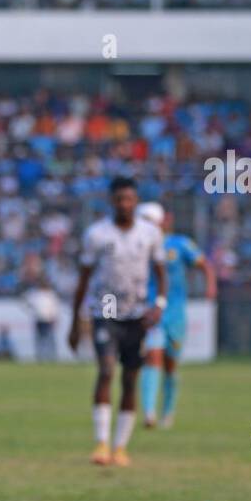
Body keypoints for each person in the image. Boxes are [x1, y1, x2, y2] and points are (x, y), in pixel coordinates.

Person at [68, 178, 166, 467]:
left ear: (136, 201)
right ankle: (101, 443)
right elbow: (84, 279)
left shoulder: (150, 233)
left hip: (137, 314)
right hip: (106, 310)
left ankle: (120, 446)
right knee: (107, 370)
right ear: (112, 201)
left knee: (130, 378)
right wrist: (75, 322)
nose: (125, 204)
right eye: (120, 199)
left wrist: (159, 304)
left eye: (130, 199)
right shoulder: (97, 234)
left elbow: (161, 274)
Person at [139, 205, 216, 428]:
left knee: (170, 364)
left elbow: (204, 264)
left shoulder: (179, 244)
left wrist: (210, 286)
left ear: (164, 221)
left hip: (175, 313)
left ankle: (168, 412)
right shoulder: (139, 246)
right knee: (152, 355)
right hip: (151, 311)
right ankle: (149, 412)